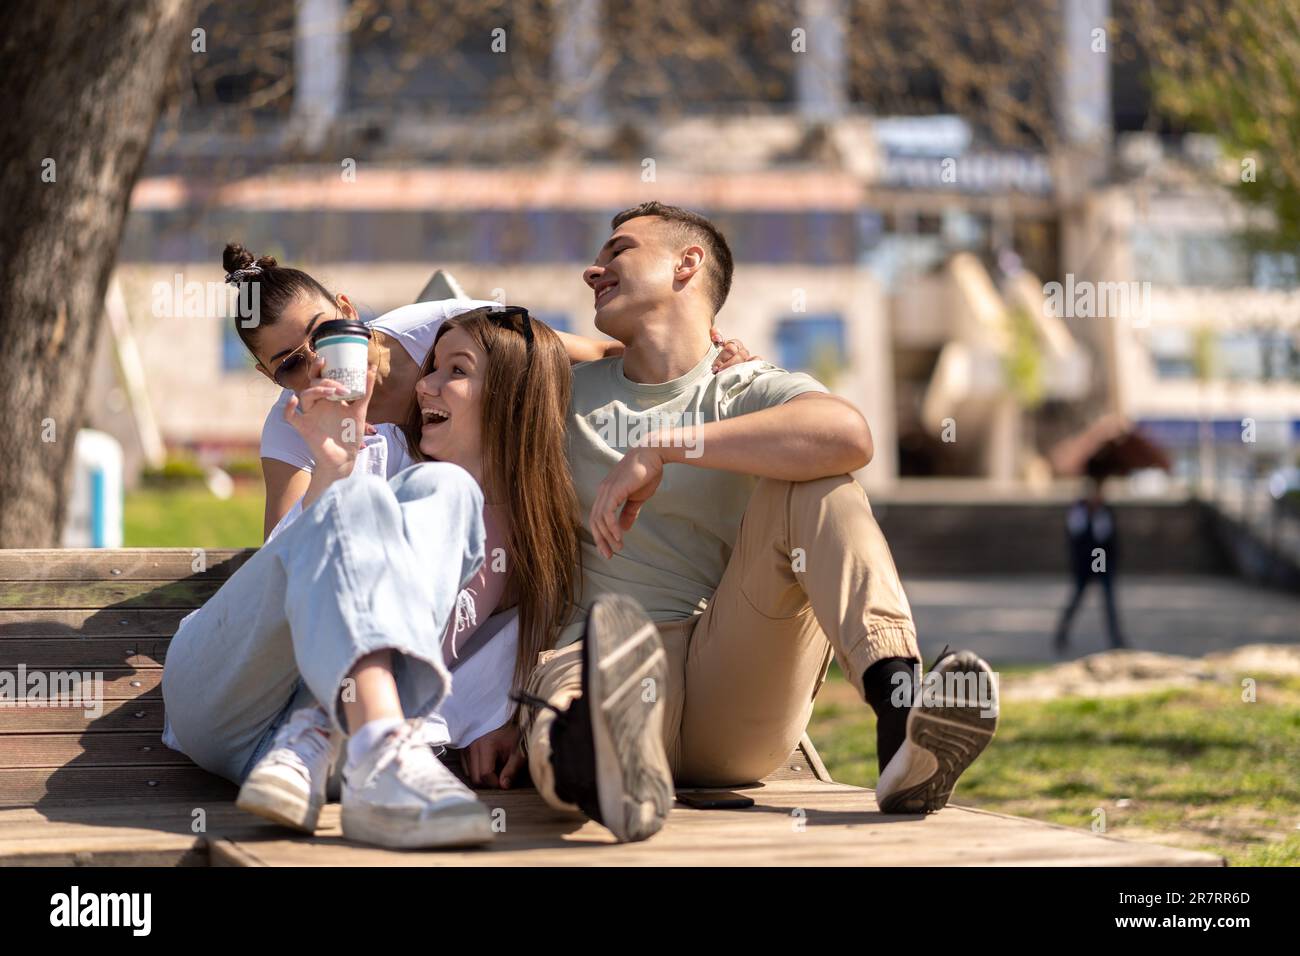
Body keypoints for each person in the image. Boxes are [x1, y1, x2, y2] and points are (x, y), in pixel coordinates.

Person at [512, 202, 1001, 843]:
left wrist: (664, 446)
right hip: (598, 657)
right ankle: (601, 768)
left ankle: (901, 709)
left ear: (688, 264)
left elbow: (848, 435)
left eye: (617, 252)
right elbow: (455, 337)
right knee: (575, 703)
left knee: (820, 484)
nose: (592, 270)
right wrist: (561, 344)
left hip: (731, 677)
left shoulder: (744, 388)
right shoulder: (564, 388)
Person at [162, 302, 581, 850]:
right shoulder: (376, 453)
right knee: (441, 491)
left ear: (514, 396)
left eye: (455, 371)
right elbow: (285, 587)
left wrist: (509, 723)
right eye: (433, 366)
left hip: (323, 762)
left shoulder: (537, 549)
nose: (425, 386)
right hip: (228, 694)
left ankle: (340, 738)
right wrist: (335, 469)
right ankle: (369, 735)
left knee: (452, 495)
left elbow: (525, 657)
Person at [1054, 473, 1126, 653]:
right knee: (1076, 600)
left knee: (1109, 602)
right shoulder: (1079, 511)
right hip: (1085, 562)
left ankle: (1116, 638)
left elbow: (1109, 538)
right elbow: (1077, 537)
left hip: (1101, 559)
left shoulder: (1105, 511)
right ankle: (1061, 634)